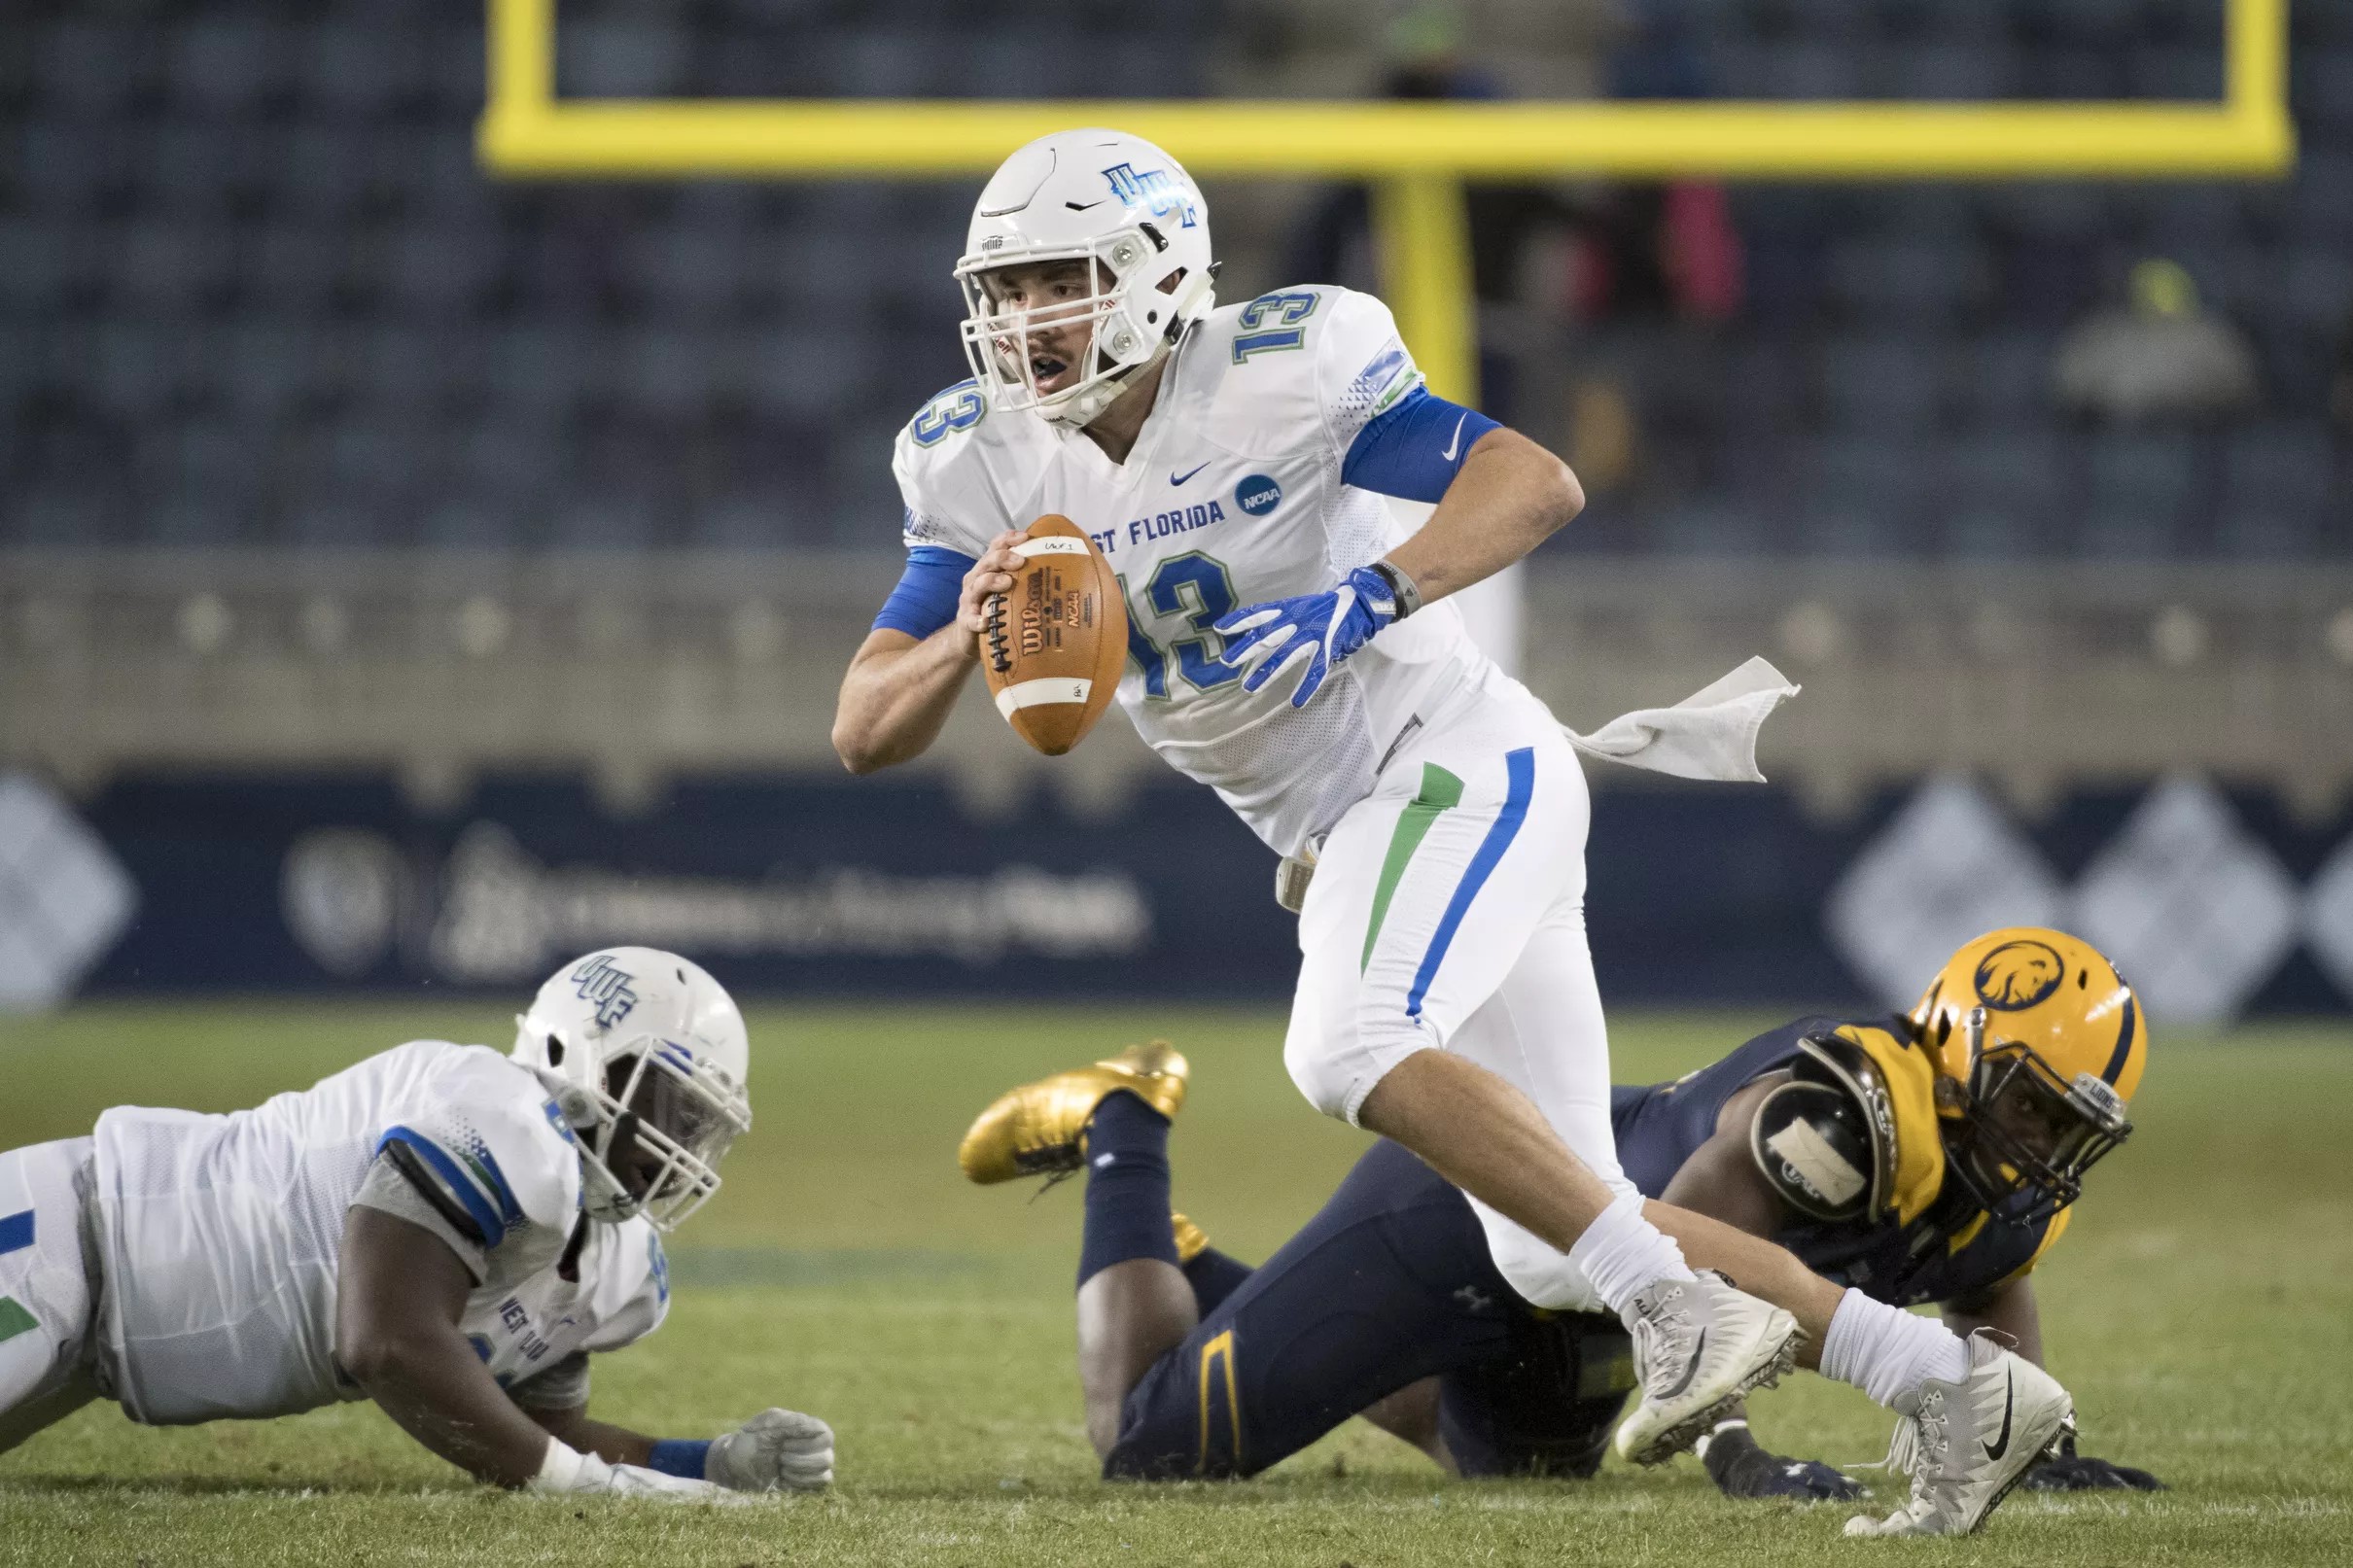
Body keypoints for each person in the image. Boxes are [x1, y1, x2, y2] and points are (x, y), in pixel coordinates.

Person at [833, 127, 2074, 1535]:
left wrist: (1366, 595)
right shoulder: (978, 460)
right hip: (1366, 827)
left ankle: (1672, 1309)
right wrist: (970, 631)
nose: (1024, 322)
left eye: (1061, 280)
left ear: (1159, 271)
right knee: (1554, 1252)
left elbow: (1534, 480)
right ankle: (1946, 1381)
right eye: (1003, 289)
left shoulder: (1289, 363)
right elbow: (864, 725)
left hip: (1458, 763)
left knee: (1346, 1041)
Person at [959, 927, 2157, 1509]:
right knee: (1147, 1440)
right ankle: (1124, 1124)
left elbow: (1988, 1290)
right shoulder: (1838, 1118)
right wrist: (1734, 1453)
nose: (2039, 1149)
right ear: (1957, 1047)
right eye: (2031, 1110)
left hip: (1570, 1317)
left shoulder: (1992, 1186)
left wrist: (2030, 1451)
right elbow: (1667, 1266)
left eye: (2066, 1129)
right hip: (1465, 1222)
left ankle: (1208, 1273)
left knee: (1508, 1469)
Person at [0, 947, 833, 1500]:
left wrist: (709, 1464)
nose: (681, 1144)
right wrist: (590, 1493)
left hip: (95, 1352)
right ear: (582, 1058)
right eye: (670, 1103)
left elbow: (529, 1431)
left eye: (699, 1123)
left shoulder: (613, 1264)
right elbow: (386, 1340)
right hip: (56, 1244)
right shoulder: (498, 1114)